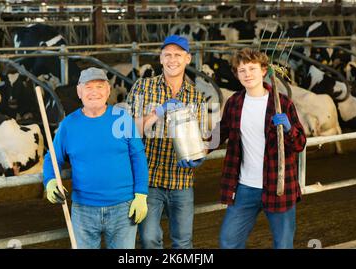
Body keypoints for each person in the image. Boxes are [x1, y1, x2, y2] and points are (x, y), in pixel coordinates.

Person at [43, 67, 149, 249]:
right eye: (88, 87)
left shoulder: (122, 119)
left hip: (123, 208)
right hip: (83, 209)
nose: (94, 92)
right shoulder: (68, 125)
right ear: (79, 92)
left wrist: (141, 195)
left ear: (108, 90)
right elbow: (52, 158)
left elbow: (138, 158)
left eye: (100, 86)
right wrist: (50, 181)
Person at [215, 48, 306, 249]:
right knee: (228, 241)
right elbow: (220, 133)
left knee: (283, 244)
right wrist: (199, 150)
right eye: (242, 70)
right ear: (237, 74)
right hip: (244, 187)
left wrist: (289, 129)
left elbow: (299, 144)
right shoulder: (235, 102)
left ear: (264, 70)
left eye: (252, 68)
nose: (247, 74)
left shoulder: (282, 103)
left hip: (278, 186)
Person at [126, 35, 208, 249]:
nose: (173, 60)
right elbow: (129, 130)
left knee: (183, 241)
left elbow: (203, 139)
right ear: (161, 59)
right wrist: (157, 113)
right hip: (149, 180)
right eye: (168, 55)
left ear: (188, 59)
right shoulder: (142, 87)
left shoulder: (196, 96)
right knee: (149, 239)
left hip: (181, 180)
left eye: (178, 55)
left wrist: (199, 156)